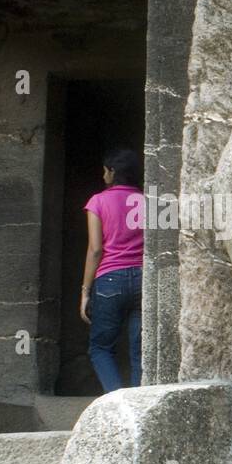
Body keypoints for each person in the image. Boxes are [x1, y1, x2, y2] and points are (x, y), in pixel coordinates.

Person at [80, 148, 144, 392]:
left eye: (105, 170)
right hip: (143, 279)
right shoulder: (149, 201)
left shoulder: (97, 201)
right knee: (140, 351)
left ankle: (116, 399)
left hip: (109, 280)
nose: (103, 174)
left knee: (101, 348)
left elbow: (95, 249)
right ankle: (139, 404)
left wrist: (85, 291)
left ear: (112, 172)